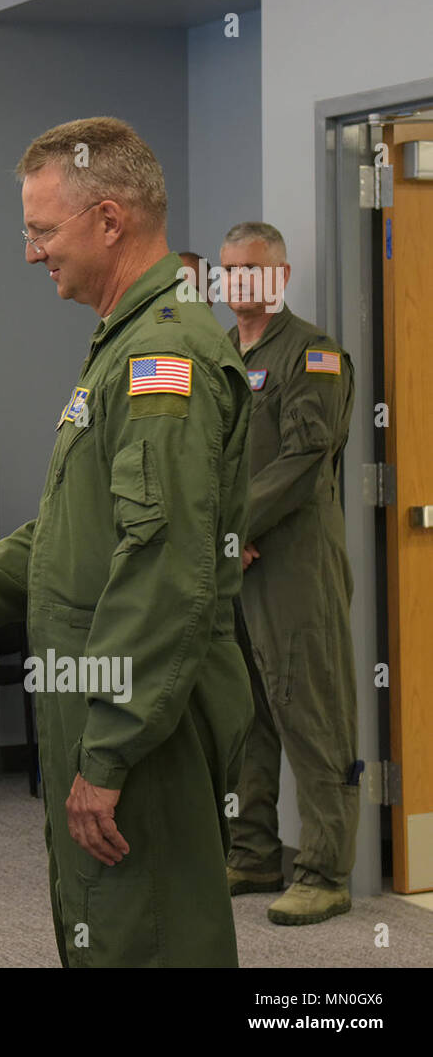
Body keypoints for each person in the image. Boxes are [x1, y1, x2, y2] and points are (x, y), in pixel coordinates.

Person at [0, 117, 254, 967]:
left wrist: (111, 749)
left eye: (42, 231)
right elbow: (69, 537)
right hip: (103, 700)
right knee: (109, 928)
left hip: (142, 717)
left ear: (108, 220)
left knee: (149, 937)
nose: (30, 253)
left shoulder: (164, 358)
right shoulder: (122, 348)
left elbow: (164, 574)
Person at [220, 220, 358, 925]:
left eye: (252, 268)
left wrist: (238, 524)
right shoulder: (216, 355)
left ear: (281, 275)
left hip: (295, 563)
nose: (239, 282)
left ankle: (326, 870)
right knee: (245, 715)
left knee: (310, 708)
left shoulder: (314, 353)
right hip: (234, 565)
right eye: (229, 270)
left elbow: (305, 457)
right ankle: (251, 852)